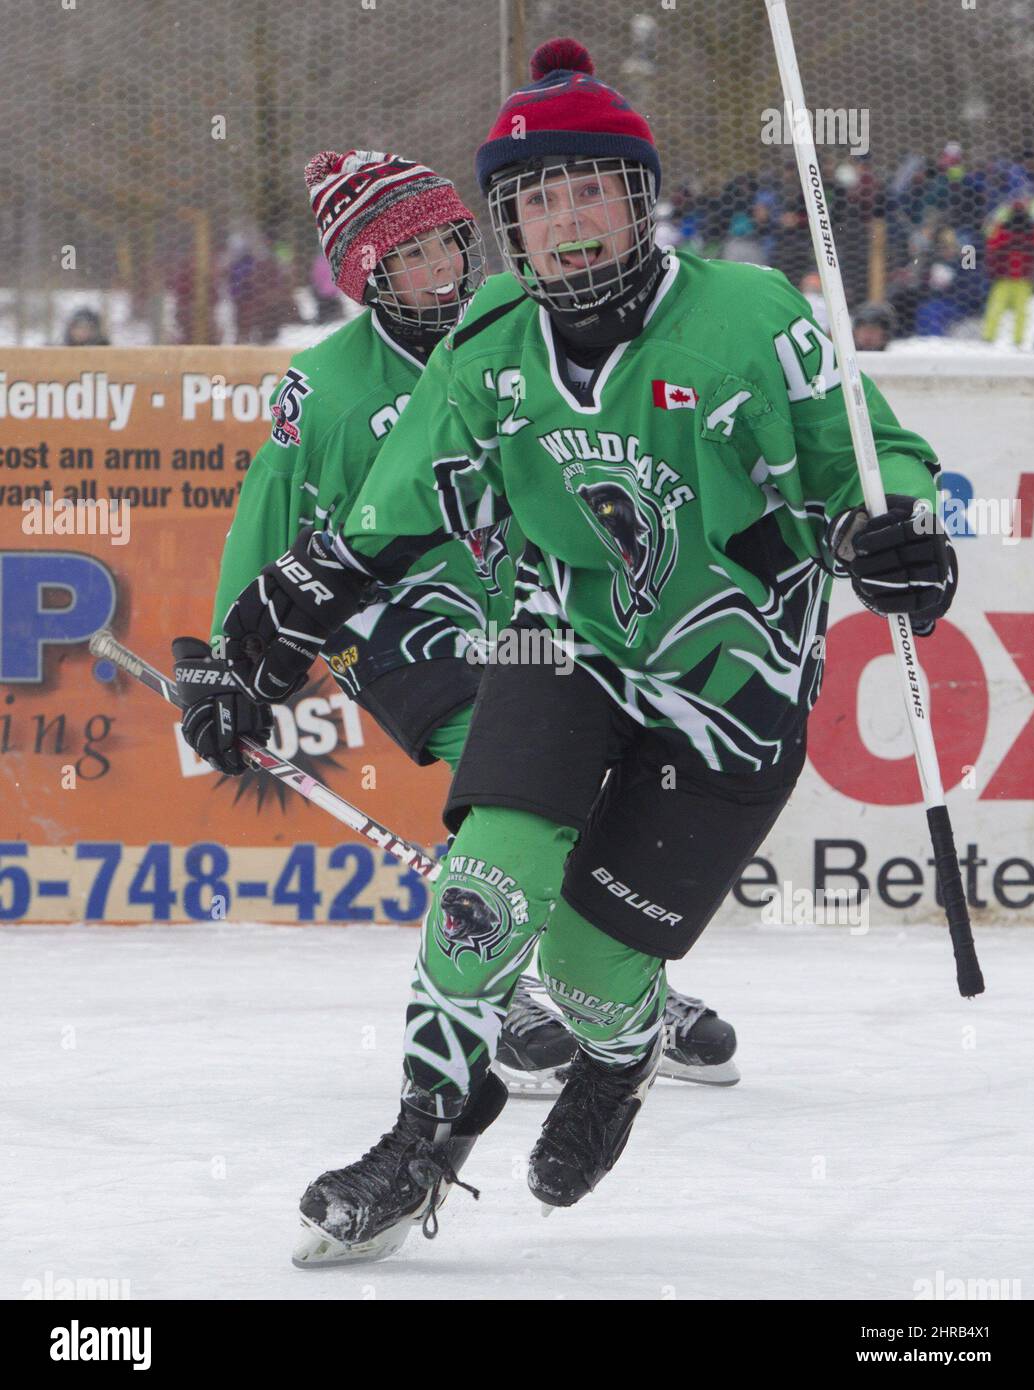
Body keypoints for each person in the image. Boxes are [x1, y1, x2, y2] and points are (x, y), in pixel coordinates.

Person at [221, 39, 956, 1265]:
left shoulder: (748, 319)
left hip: (732, 687)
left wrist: (899, 537)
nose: (564, 221)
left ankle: (619, 1054)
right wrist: (290, 599)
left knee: (591, 966)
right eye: (534, 198)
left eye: (588, 190)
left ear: (639, 196)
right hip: (560, 643)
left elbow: (867, 470)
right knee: (484, 885)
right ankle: (420, 1142)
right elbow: (395, 510)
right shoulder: (490, 347)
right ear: (506, 222)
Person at [174, 147, 736, 1111]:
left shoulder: (514, 327)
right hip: (393, 622)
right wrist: (228, 663)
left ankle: (609, 979)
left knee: (588, 780)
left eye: (449, 247)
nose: (440, 273)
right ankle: (507, 992)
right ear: (365, 276)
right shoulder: (331, 389)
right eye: (411, 259)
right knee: (510, 771)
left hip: (521, 606)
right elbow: (268, 521)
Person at [981, 202, 1034, 348]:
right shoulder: (1032, 232)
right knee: (1020, 312)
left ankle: (989, 336)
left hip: (1007, 276)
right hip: (1020, 277)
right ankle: (1017, 339)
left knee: (997, 308)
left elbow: (991, 243)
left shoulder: (1003, 230)